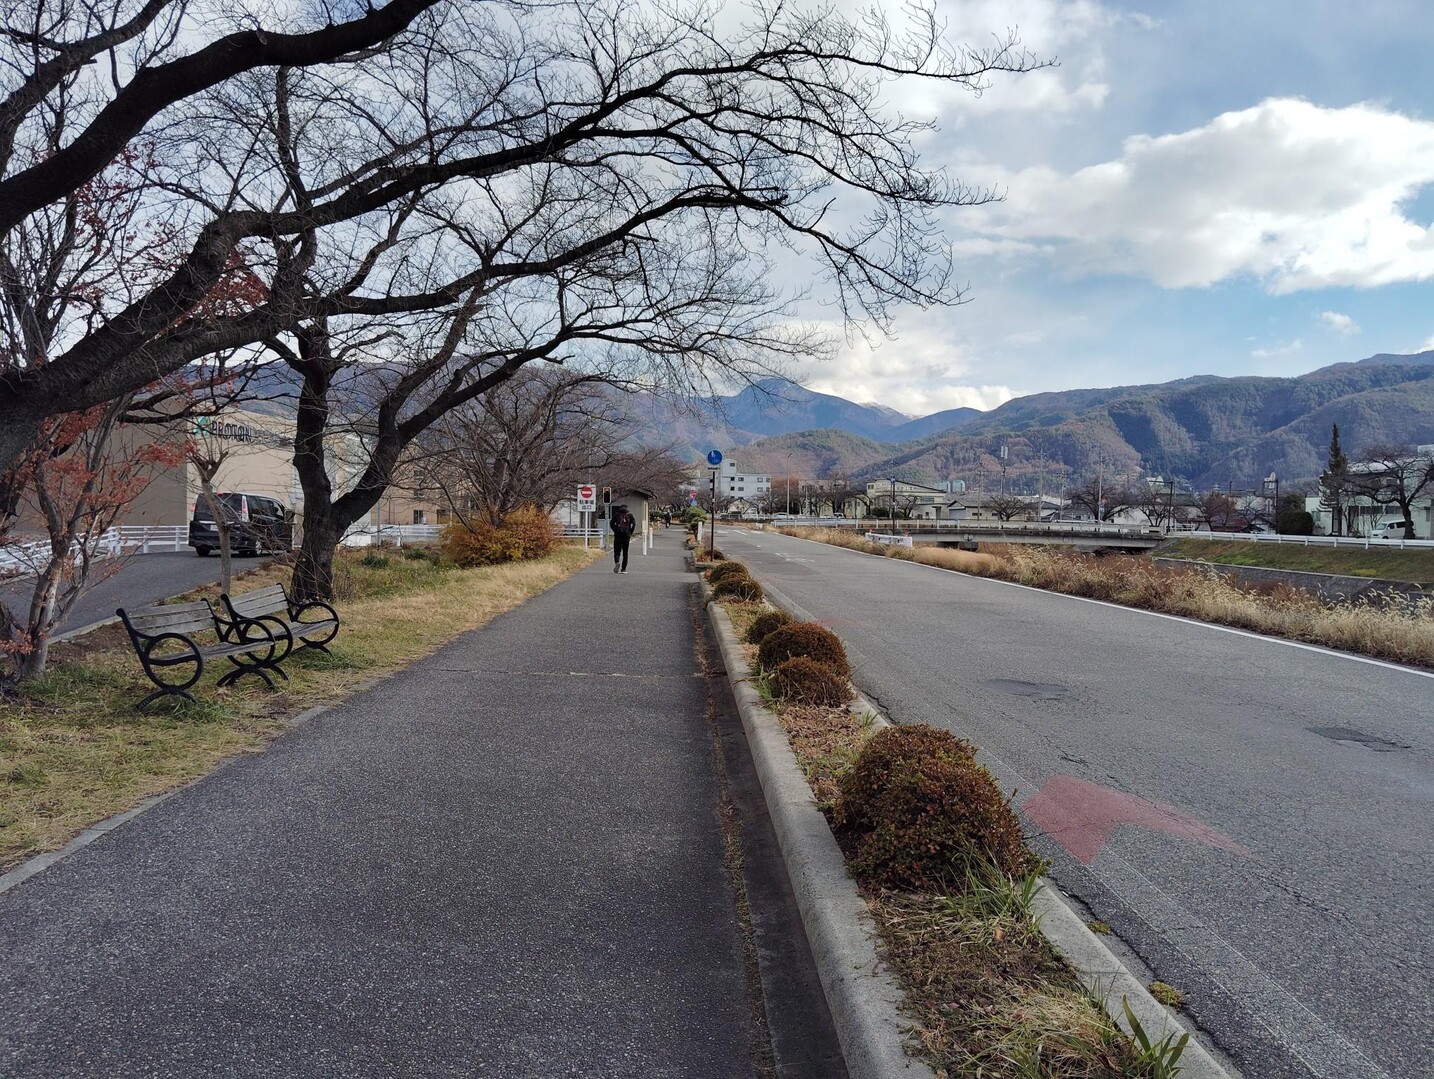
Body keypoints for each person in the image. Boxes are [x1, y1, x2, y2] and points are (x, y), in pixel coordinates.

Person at [611, 504, 635, 573]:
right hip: (626, 537)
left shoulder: (617, 515)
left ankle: (617, 562)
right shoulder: (630, 515)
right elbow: (633, 524)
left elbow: (611, 523)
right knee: (625, 553)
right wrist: (630, 532)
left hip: (618, 536)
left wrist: (615, 530)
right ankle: (623, 569)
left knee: (617, 552)